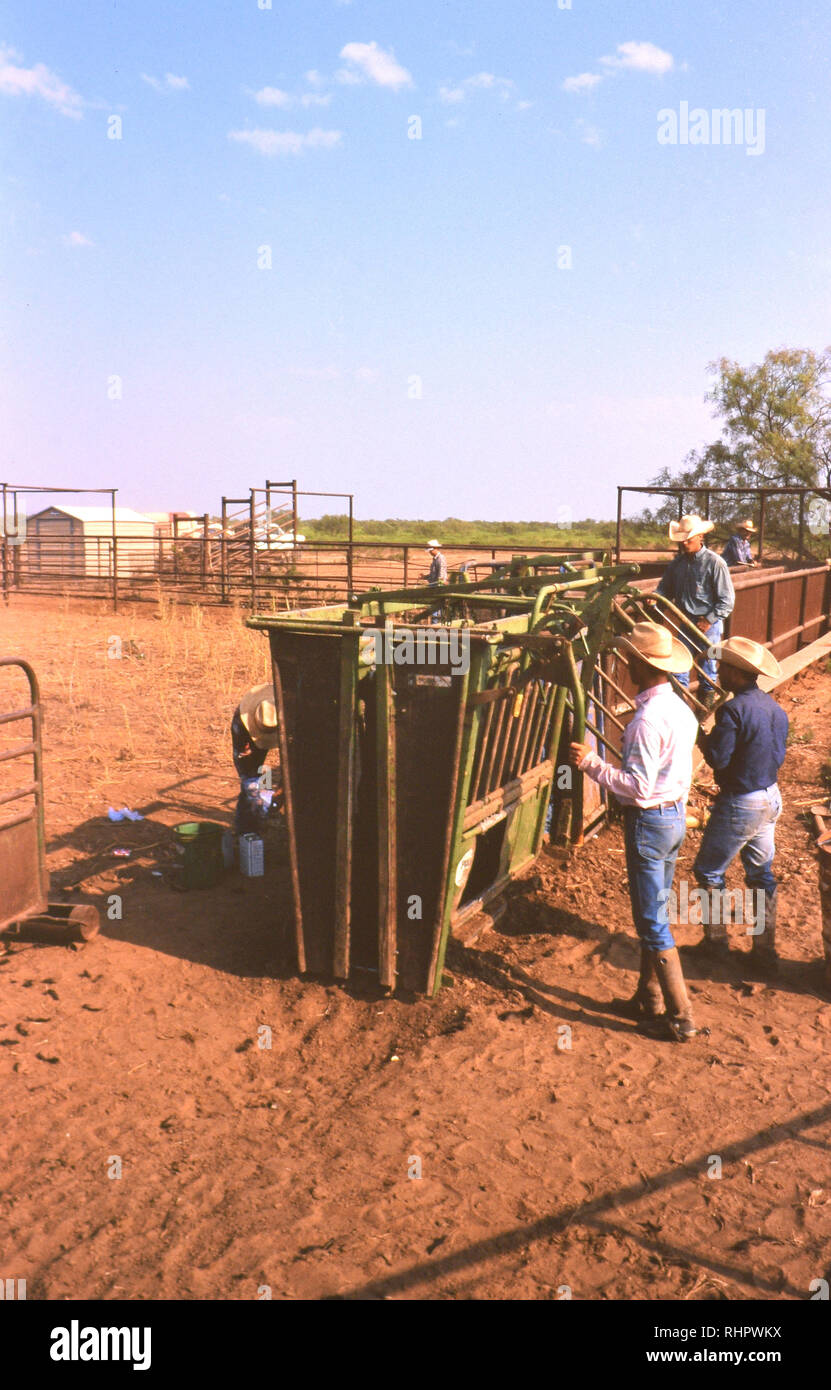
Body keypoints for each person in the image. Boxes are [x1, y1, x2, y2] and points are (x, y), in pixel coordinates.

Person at [569, 621, 700, 1041]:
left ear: (640, 665)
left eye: (630, 658)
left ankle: (682, 1018)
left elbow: (637, 787)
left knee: (651, 921)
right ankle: (649, 998)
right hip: (674, 816)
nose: (624, 663)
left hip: (650, 821)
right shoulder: (680, 708)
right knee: (656, 911)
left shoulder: (646, 720)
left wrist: (593, 764)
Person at [692, 637, 788, 973]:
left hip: (741, 801)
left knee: (708, 871)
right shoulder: (774, 708)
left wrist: (702, 736)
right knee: (761, 874)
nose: (717, 672)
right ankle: (765, 951)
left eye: (722, 667)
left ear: (735, 672)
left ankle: (716, 943)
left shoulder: (733, 710)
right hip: (770, 796)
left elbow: (718, 758)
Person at [654, 513, 735, 708]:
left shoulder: (715, 563)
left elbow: (727, 599)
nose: (684, 543)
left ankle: (704, 713)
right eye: (682, 539)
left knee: (709, 669)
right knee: (678, 669)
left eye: (688, 538)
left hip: (711, 626)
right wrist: (655, 597)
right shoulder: (677, 565)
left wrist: (709, 620)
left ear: (700, 537)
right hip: (686, 623)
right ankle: (682, 711)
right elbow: (665, 588)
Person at [231, 683, 280, 834]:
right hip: (243, 737)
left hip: (258, 732)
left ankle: (245, 824)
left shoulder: (274, 712)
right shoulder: (241, 723)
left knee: (256, 780)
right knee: (250, 782)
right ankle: (250, 824)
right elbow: (244, 755)